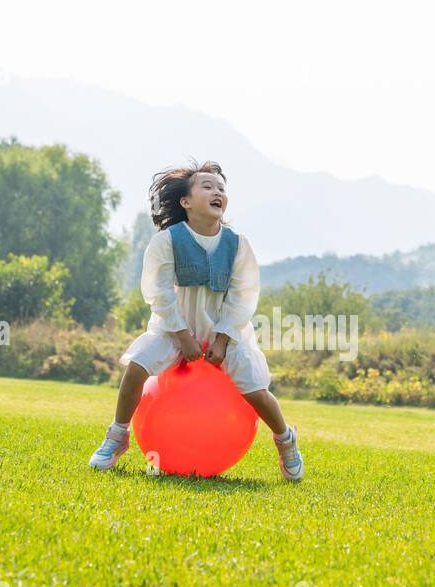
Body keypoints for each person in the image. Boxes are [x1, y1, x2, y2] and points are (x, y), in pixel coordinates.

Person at [90, 161, 303, 480]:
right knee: (136, 368)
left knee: (256, 391)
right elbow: (158, 291)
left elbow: (243, 295)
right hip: (174, 330)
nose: (217, 191)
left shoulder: (237, 244)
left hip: (227, 336)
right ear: (186, 202)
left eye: (221, 188)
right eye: (207, 186)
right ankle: (118, 435)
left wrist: (222, 338)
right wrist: (182, 335)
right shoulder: (167, 241)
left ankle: (286, 440)